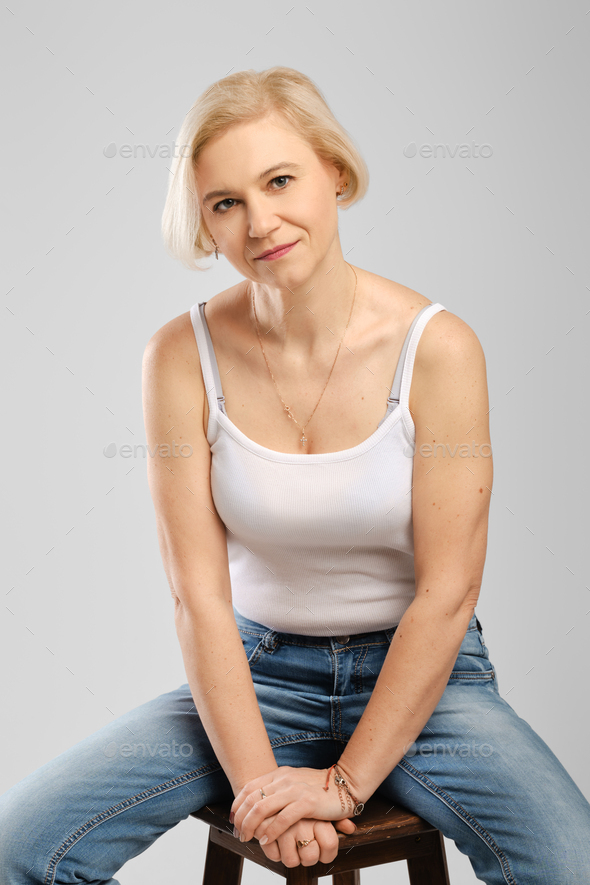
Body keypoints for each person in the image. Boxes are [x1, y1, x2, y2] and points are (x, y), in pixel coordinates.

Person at [1, 65, 589, 885]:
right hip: (257, 677)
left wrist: (342, 786)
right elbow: (197, 597)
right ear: (205, 226)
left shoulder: (440, 350)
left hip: (423, 680)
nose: (260, 221)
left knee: (571, 864)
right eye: (226, 202)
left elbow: (448, 593)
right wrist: (258, 791)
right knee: (19, 847)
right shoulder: (178, 357)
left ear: (335, 174)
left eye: (280, 180)